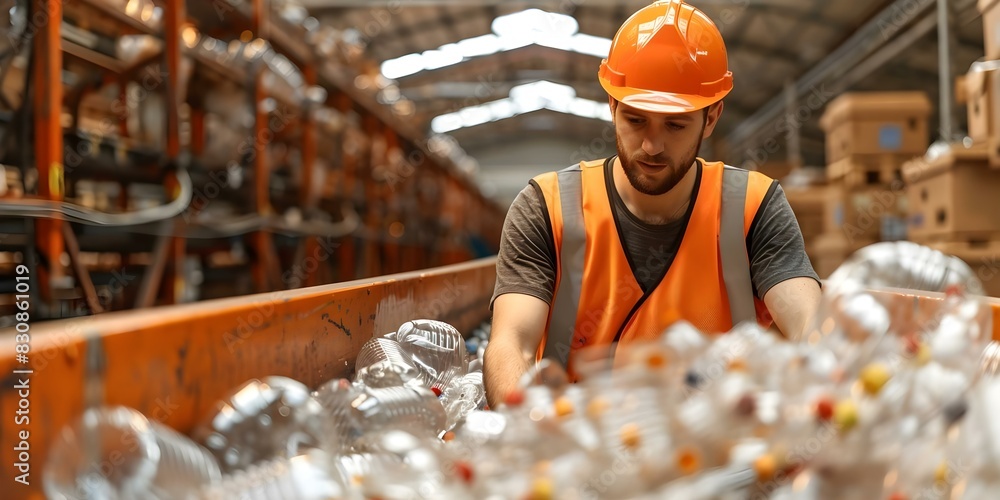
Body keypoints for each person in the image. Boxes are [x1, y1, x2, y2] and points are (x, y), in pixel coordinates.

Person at [483, 0, 822, 408]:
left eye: (675, 125)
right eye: (635, 120)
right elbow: (510, 345)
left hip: (719, 449)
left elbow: (809, 324)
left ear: (712, 117)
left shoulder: (753, 205)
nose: (651, 146)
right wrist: (533, 427)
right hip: (577, 446)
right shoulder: (548, 206)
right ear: (612, 106)